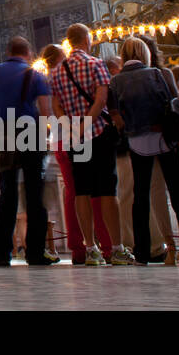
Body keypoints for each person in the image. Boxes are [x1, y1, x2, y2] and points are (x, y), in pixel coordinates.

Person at [109, 37, 179, 265]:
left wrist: (132, 128)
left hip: (136, 143)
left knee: (140, 197)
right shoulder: (161, 75)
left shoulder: (115, 82)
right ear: (146, 54)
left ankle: (142, 253)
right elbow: (176, 106)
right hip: (164, 139)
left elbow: (116, 116)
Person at [49, 24, 127, 266]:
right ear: (86, 39)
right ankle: (116, 248)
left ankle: (90, 248)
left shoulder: (57, 71)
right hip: (99, 134)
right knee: (106, 191)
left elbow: (56, 106)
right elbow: (101, 98)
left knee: (81, 191)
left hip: (74, 138)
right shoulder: (95, 64)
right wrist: (87, 125)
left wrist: (73, 129)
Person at [0, 36, 54, 266]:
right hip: (30, 133)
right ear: (29, 53)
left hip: (4, 133)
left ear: (8, 51)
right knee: (34, 194)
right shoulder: (36, 74)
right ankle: (35, 252)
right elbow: (45, 110)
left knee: (7, 194)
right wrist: (45, 138)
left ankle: (2, 254)